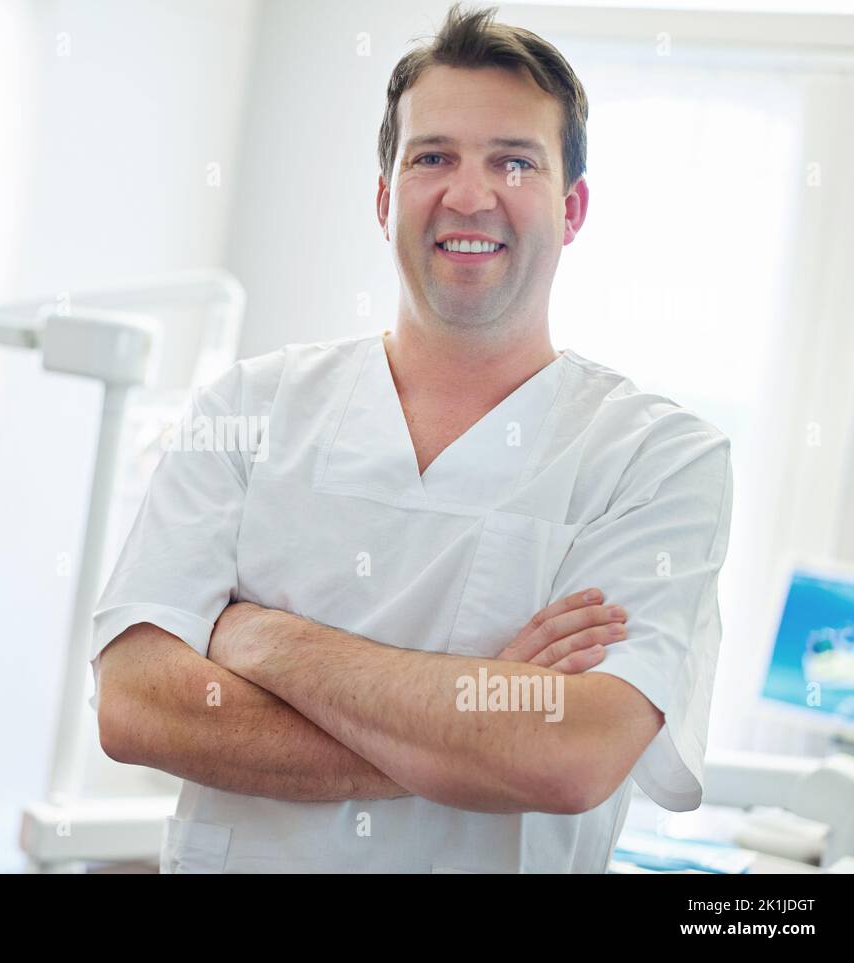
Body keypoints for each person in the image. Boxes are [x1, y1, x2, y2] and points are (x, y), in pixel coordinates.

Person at [91, 3, 733, 873]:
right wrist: (475, 722)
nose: (469, 196)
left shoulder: (657, 459)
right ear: (385, 198)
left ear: (572, 207)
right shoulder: (246, 409)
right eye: (433, 157)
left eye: (514, 161)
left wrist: (264, 641)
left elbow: (572, 753)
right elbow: (136, 705)